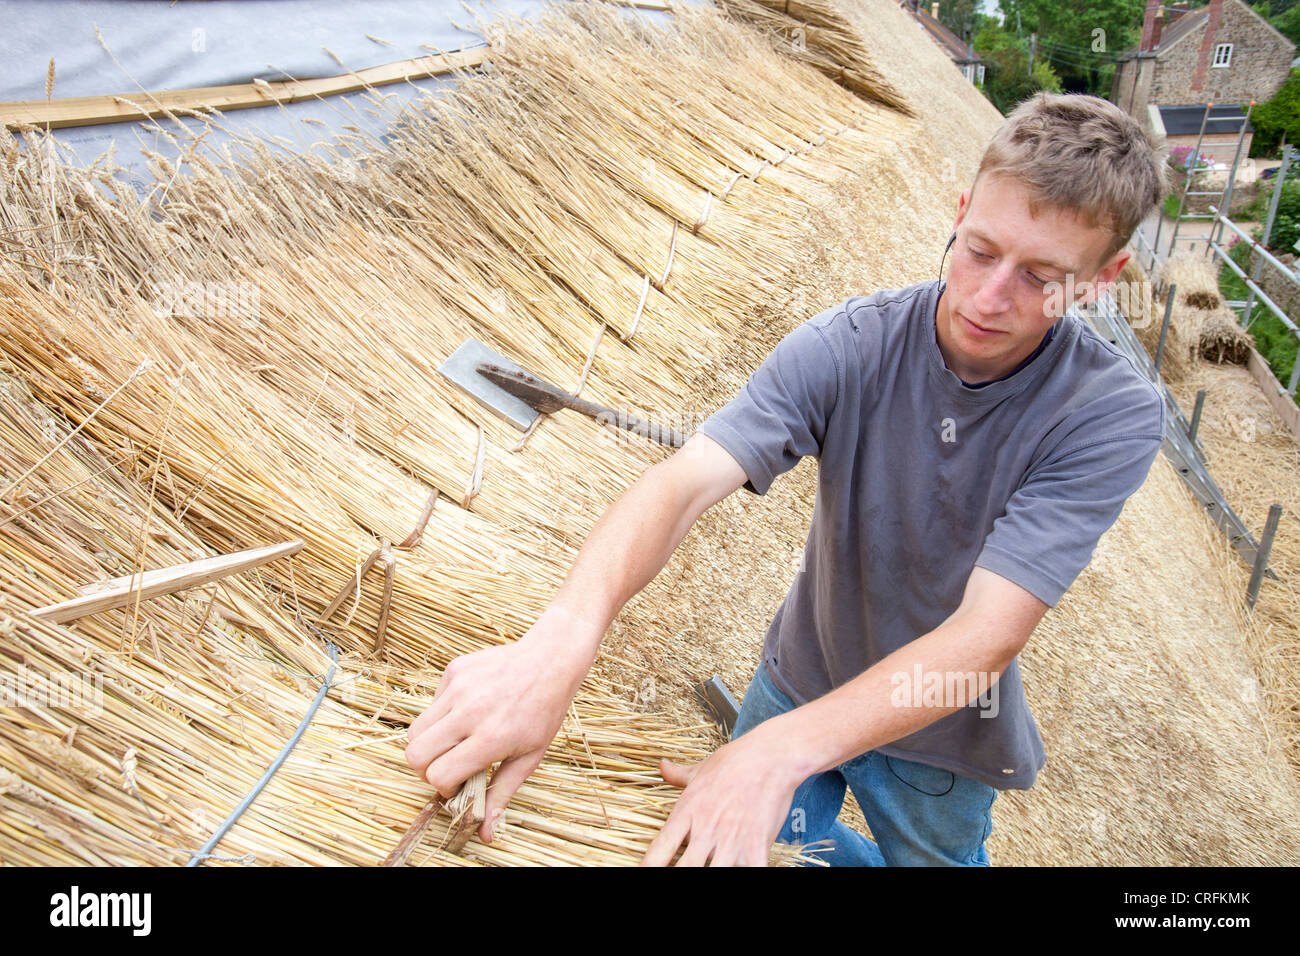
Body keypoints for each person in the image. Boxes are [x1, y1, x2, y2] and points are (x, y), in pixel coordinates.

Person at [404, 92, 1168, 866]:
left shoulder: (1107, 413)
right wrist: (561, 640)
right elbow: (684, 483)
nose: (989, 296)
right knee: (773, 849)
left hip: (942, 739)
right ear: (962, 208)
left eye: (1041, 276)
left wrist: (775, 753)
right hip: (801, 673)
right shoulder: (851, 344)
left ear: (1103, 280)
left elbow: (983, 636)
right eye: (978, 249)